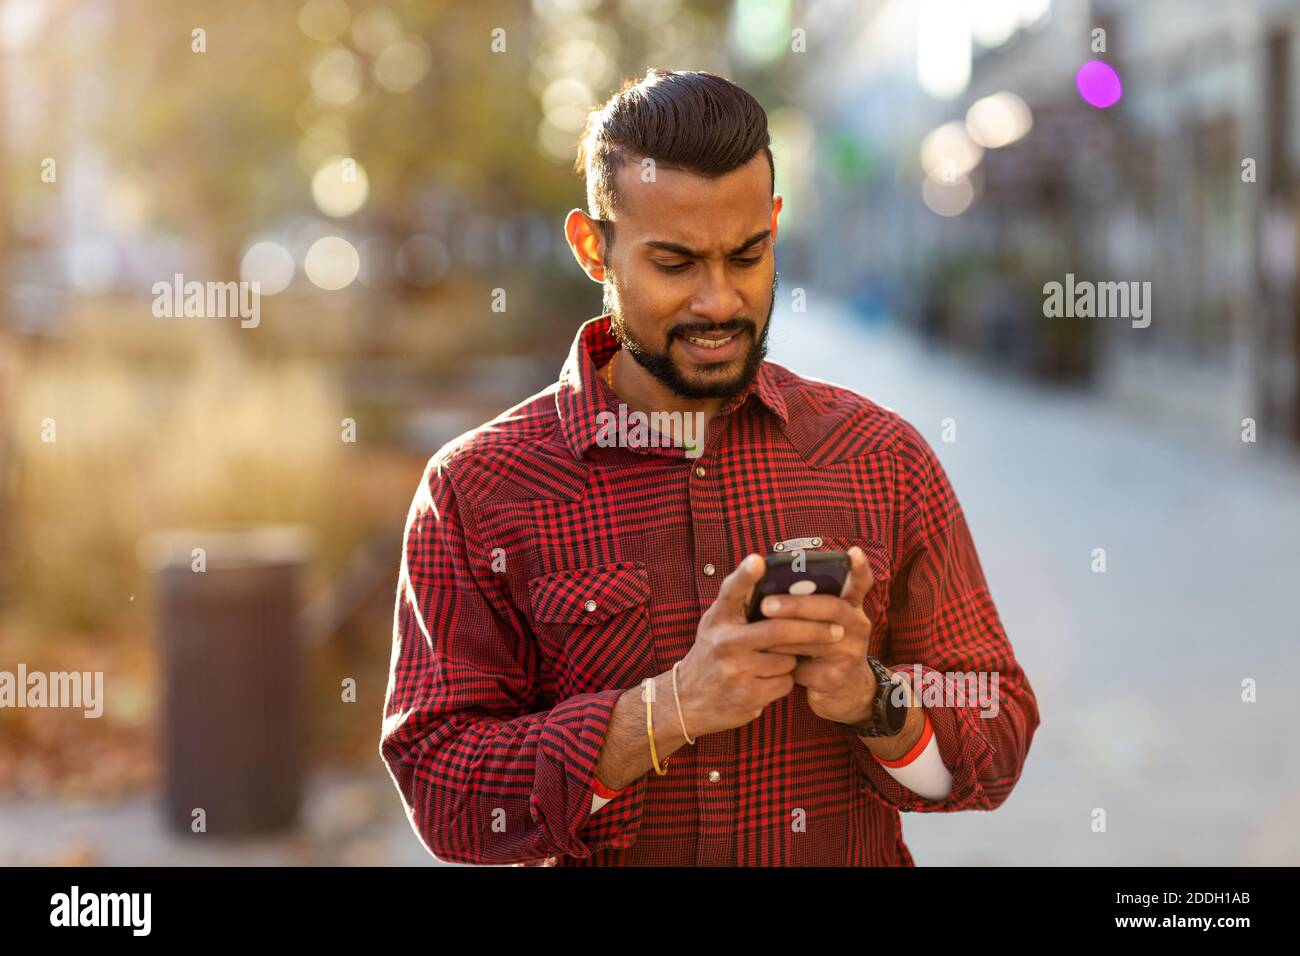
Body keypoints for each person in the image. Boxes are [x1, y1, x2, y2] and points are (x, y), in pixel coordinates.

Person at [380, 68, 1040, 866]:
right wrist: (669, 708)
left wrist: (876, 700)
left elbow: (998, 732)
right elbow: (443, 793)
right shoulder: (478, 489)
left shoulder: (880, 457)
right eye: (675, 263)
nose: (720, 301)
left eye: (748, 255)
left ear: (775, 225)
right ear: (594, 248)